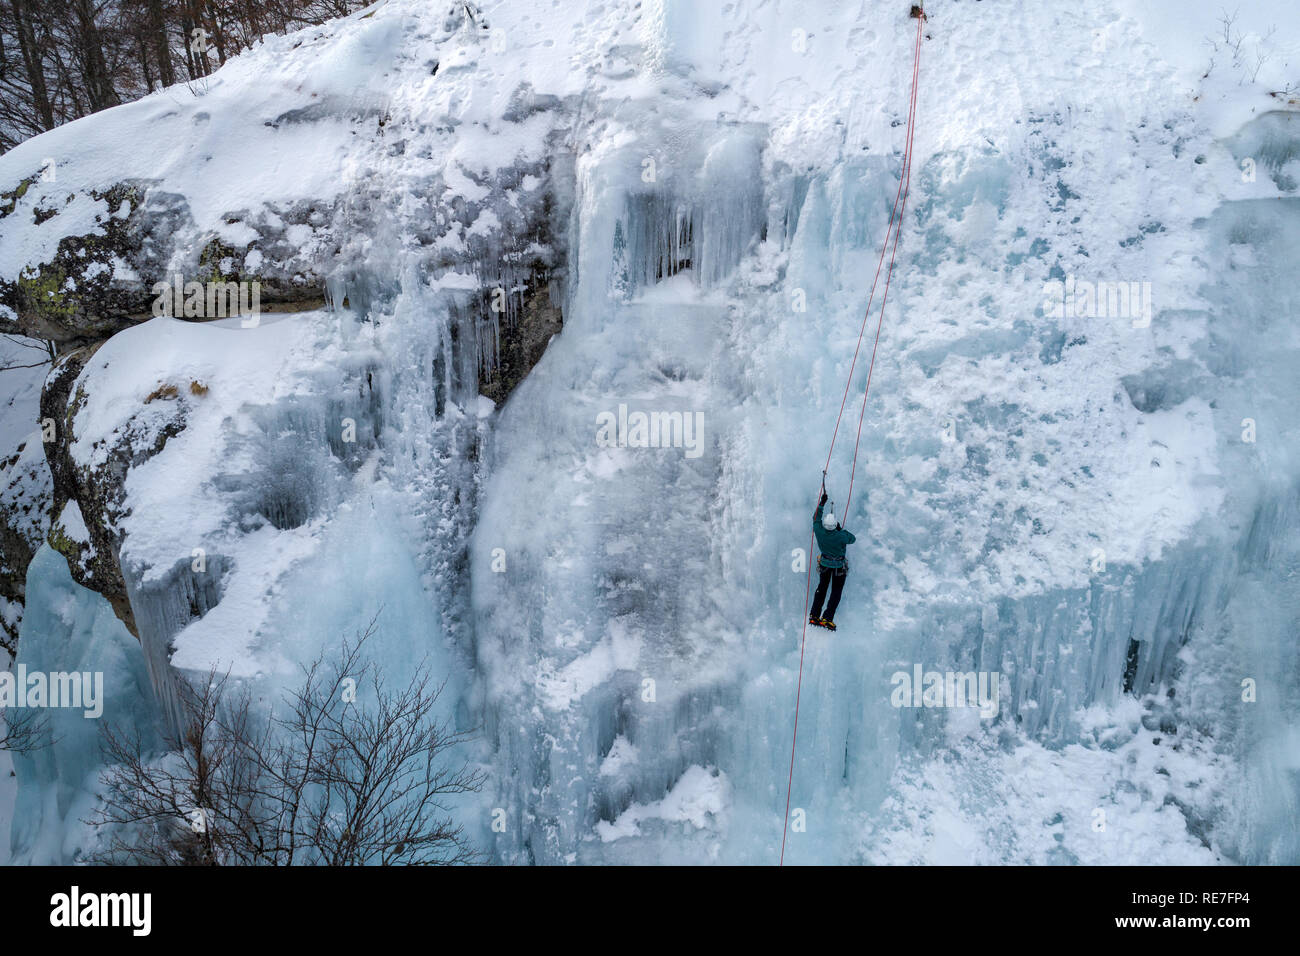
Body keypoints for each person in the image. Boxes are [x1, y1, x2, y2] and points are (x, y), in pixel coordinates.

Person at [810, 490, 855, 631]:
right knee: (836, 592)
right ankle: (827, 618)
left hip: (824, 565)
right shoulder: (840, 536)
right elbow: (852, 539)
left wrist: (822, 503)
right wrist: (841, 530)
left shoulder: (819, 531)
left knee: (821, 589)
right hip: (839, 568)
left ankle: (814, 615)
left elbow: (816, 518)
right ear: (835, 525)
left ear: (824, 525)